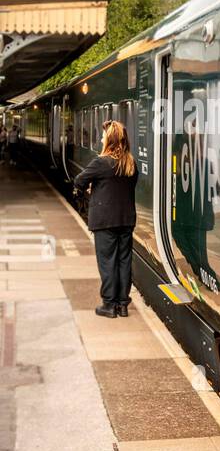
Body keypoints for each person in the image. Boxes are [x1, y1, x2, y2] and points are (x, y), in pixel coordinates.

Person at [73, 120, 139, 318]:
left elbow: (79, 181)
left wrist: (93, 188)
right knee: (124, 261)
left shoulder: (101, 162)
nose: (101, 139)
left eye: (103, 136)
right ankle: (122, 304)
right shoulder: (130, 163)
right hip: (126, 219)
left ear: (109, 140)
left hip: (105, 221)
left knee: (108, 262)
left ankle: (109, 305)